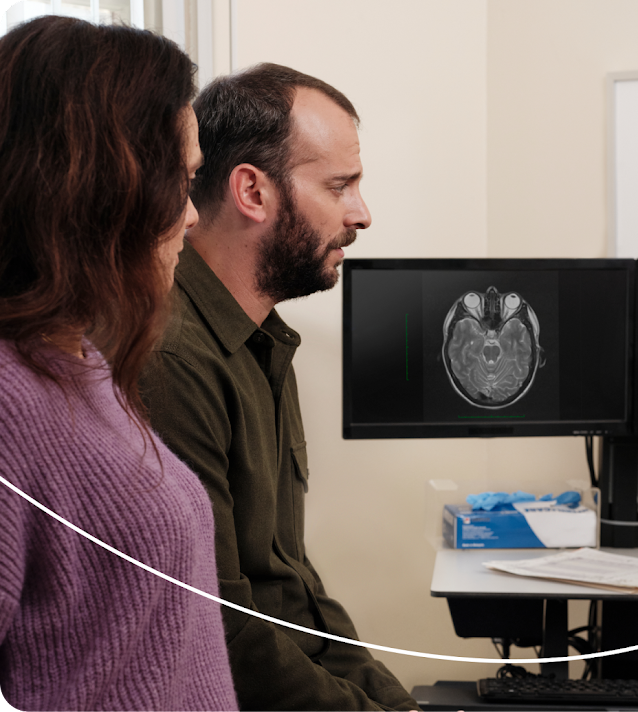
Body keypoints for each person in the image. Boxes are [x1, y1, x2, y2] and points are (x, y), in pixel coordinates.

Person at [139, 64, 419, 712]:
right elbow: (224, 628)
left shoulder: (262, 342)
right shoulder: (173, 357)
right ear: (253, 193)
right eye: (340, 186)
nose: (362, 214)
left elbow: (293, 592)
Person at [0, 16, 238, 712]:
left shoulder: (82, 364)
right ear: (105, 184)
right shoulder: (11, 398)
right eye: (185, 180)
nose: (193, 216)